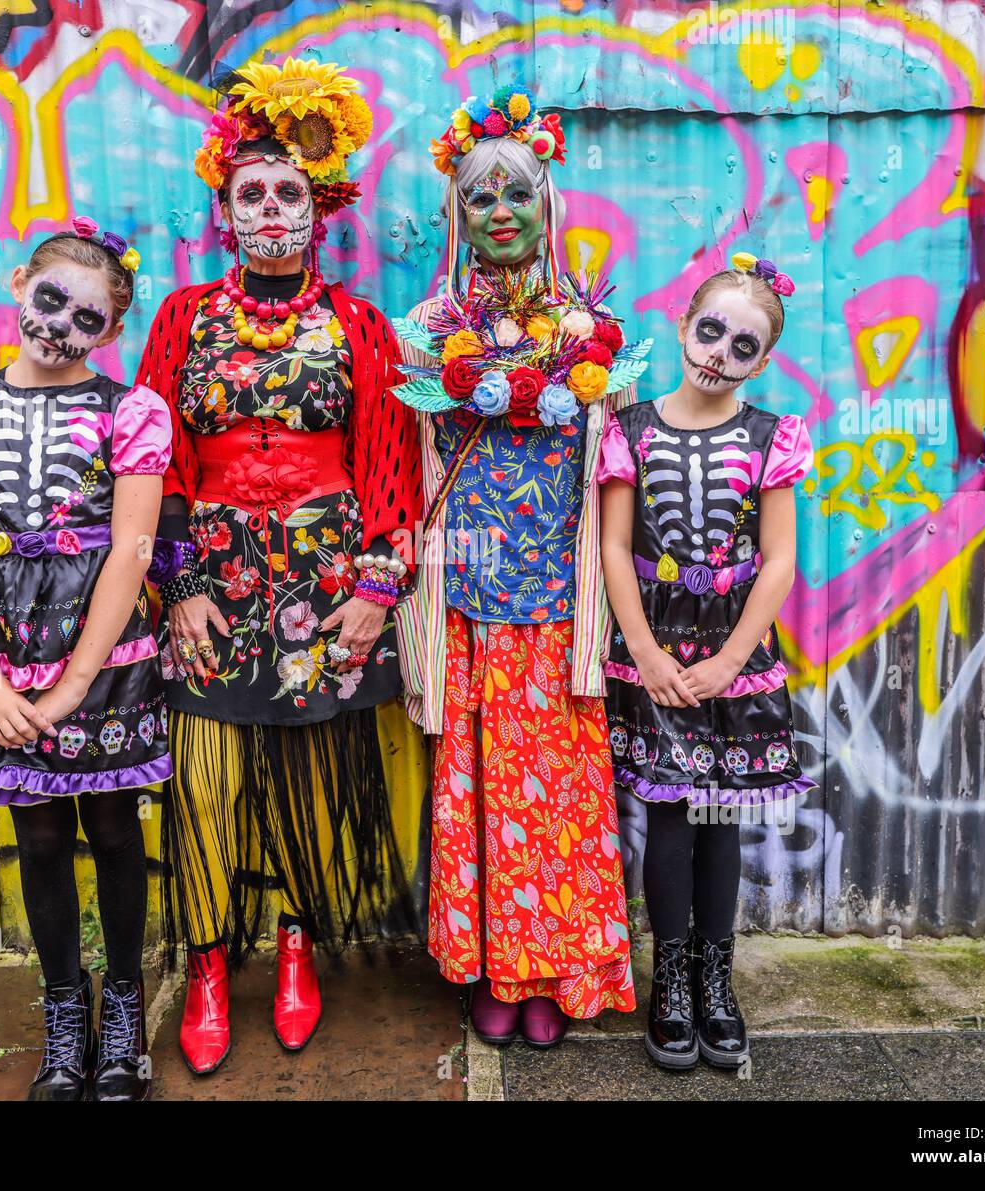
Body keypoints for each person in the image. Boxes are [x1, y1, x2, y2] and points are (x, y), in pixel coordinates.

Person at [135, 56, 422, 1071]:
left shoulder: (357, 326)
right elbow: (152, 458)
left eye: (287, 192)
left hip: (322, 585)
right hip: (211, 582)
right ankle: (210, 964)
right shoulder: (180, 319)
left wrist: (377, 594)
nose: (269, 208)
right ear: (223, 213)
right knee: (208, 788)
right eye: (250, 193)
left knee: (310, 785)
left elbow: (389, 459)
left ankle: (297, 952)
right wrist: (174, 588)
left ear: (319, 208)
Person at [393, 85, 639, 1048]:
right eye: (479, 197)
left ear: (547, 206)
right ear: (458, 216)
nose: (500, 212)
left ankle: (558, 971)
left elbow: (611, 460)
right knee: (479, 783)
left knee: (561, 791)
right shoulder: (426, 328)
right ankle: (494, 964)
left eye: (516, 194)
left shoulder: (587, 330)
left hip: (559, 598)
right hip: (468, 596)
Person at [0, 219, 170, 1101]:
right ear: (20, 283)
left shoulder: (129, 412)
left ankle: (125, 1011)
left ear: (112, 331)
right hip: (2, 655)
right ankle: (66, 1009)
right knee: (40, 832)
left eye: (86, 318)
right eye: (49, 298)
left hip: (104, 657)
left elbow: (133, 551)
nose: (61, 325)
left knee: (110, 825)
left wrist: (71, 687)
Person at [597, 252, 815, 1070]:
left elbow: (779, 561)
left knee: (721, 819)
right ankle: (670, 983)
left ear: (763, 360)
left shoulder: (770, 437)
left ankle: (715, 977)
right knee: (669, 816)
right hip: (652, 653)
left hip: (734, 656)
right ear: (684, 325)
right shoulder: (630, 430)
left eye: (745, 345)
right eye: (711, 330)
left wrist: (729, 660)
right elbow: (616, 549)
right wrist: (646, 652)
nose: (720, 353)